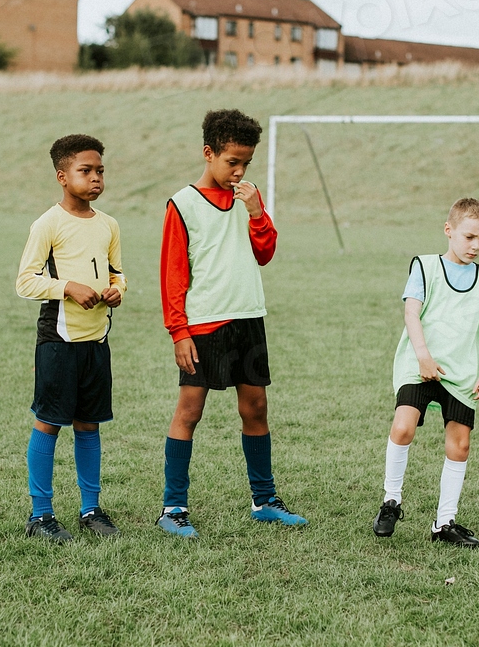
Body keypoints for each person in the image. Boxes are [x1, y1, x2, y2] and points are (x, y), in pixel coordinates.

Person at [156, 109, 306, 539]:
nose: (239, 172)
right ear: (209, 153)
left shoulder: (247, 199)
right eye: (231, 162)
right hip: (203, 325)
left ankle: (264, 501)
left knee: (256, 408)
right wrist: (178, 331)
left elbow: (264, 253)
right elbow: (172, 275)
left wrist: (258, 212)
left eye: (246, 164)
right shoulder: (182, 204)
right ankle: (173, 506)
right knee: (190, 411)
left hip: (248, 318)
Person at [373, 198, 479, 548]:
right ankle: (391, 501)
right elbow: (411, 314)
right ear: (449, 231)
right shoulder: (426, 267)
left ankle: (444, 524)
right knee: (402, 427)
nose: (476, 246)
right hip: (421, 365)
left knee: (459, 445)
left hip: (462, 372)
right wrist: (423, 357)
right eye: (469, 237)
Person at [16, 135, 125, 543]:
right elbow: (26, 281)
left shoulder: (109, 224)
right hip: (59, 340)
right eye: (86, 171)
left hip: (97, 340)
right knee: (49, 423)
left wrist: (118, 290)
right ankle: (40, 516)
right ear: (63, 177)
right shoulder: (47, 224)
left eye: (100, 171)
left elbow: (117, 272)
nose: (95, 178)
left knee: (89, 424)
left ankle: (91, 509)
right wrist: (68, 288)